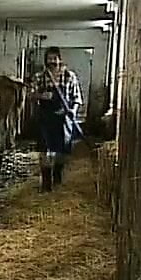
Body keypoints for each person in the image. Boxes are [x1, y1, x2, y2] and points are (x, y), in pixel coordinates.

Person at [30, 46, 83, 192]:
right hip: (45, 117)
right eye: (49, 59)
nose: (52, 62)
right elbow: (30, 95)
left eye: (55, 58)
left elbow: (77, 98)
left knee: (62, 150)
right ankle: (46, 183)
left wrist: (73, 110)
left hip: (64, 118)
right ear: (45, 61)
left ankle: (57, 175)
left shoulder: (69, 76)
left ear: (60, 59)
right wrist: (41, 96)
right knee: (44, 150)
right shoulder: (39, 77)